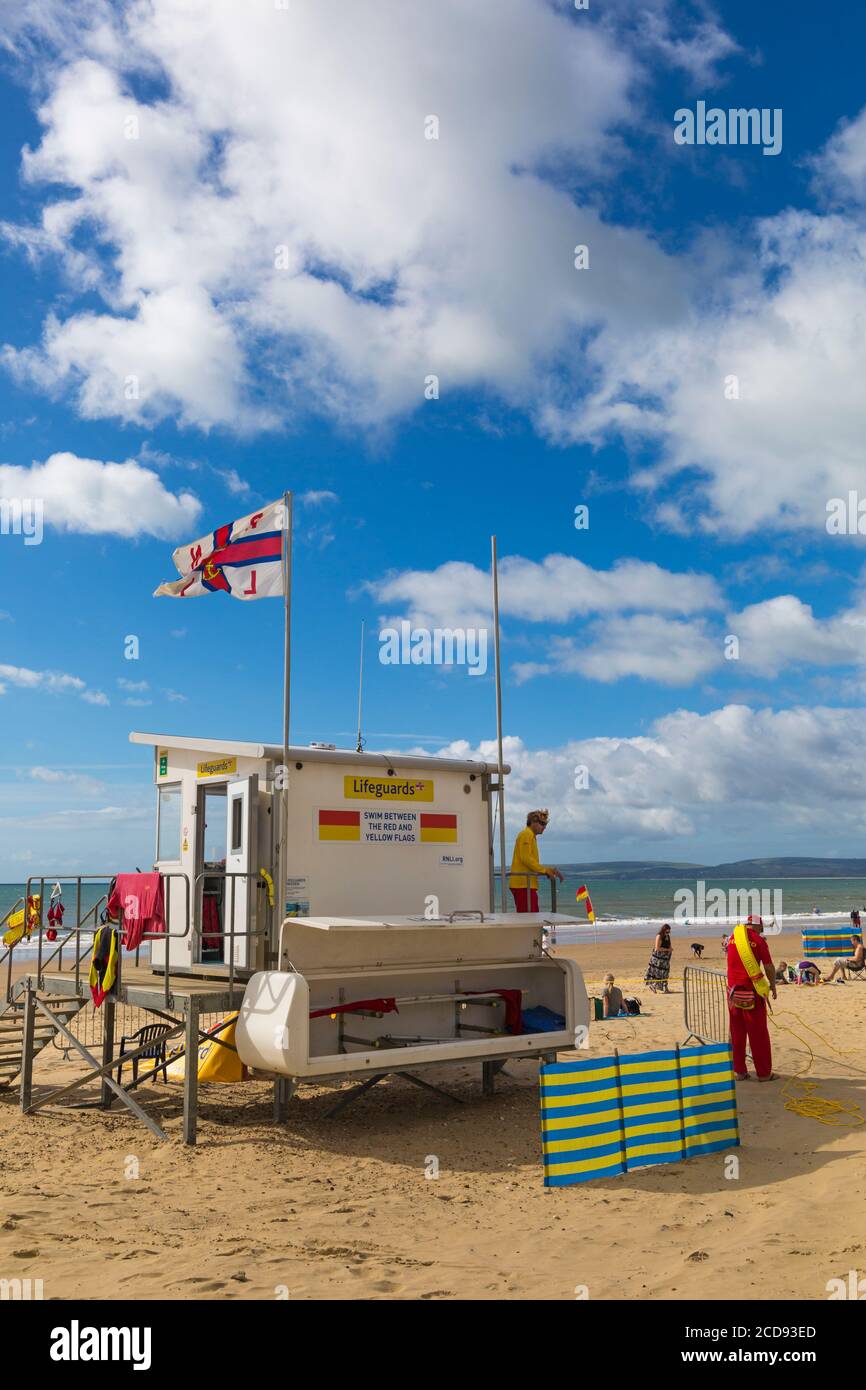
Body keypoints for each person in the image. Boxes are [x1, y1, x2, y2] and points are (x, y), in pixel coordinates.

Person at [727, 913, 776, 1082]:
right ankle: (763, 1074)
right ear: (756, 926)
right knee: (758, 1034)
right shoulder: (759, 940)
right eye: (761, 928)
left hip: (732, 992)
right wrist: (773, 985)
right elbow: (769, 967)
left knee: (737, 1033)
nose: (761, 931)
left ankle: (739, 1071)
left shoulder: (732, 938)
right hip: (751, 992)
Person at [508, 809, 563, 912]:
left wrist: (547, 869)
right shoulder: (526, 834)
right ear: (533, 822)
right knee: (528, 918)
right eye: (542, 823)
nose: (544, 827)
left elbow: (529, 859)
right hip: (523, 885)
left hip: (526, 885)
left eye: (545, 824)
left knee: (533, 916)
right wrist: (545, 870)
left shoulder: (530, 836)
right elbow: (526, 858)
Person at [645, 923, 673, 993]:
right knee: (657, 973)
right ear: (663, 930)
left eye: (669, 932)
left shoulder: (667, 937)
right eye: (667, 932)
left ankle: (665, 988)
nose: (668, 933)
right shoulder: (659, 936)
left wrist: (670, 949)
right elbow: (657, 948)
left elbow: (669, 945)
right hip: (658, 958)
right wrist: (667, 950)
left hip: (665, 958)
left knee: (665, 973)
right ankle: (653, 985)